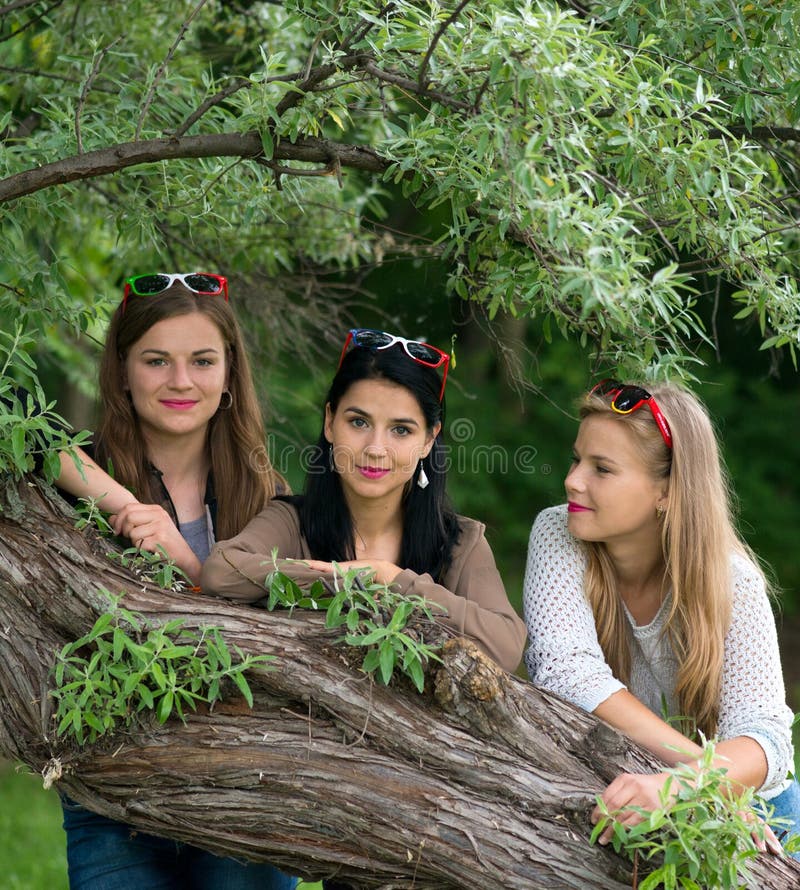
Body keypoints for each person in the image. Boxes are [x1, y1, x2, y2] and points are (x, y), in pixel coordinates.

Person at [55, 272, 298, 889]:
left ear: (230, 373)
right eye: (156, 360)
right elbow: (25, 433)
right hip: (113, 788)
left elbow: (286, 646)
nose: (181, 381)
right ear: (122, 370)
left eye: (202, 361)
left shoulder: (268, 495)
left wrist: (189, 564)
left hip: (246, 786)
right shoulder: (76, 485)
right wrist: (125, 505)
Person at [522, 380, 799, 857]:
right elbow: (564, 672)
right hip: (636, 789)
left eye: (602, 469)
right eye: (576, 459)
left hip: (758, 817)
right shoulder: (558, 531)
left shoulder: (732, 581)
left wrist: (683, 788)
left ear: (666, 492)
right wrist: (698, 778)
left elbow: (767, 741)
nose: (573, 480)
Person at [201, 327, 527, 676]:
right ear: (330, 422)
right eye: (358, 422)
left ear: (428, 440)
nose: (375, 448)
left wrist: (389, 578)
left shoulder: (460, 541)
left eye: (401, 430)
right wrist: (348, 582)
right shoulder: (291, 520)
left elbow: (506, 647)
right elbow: (221, 572)